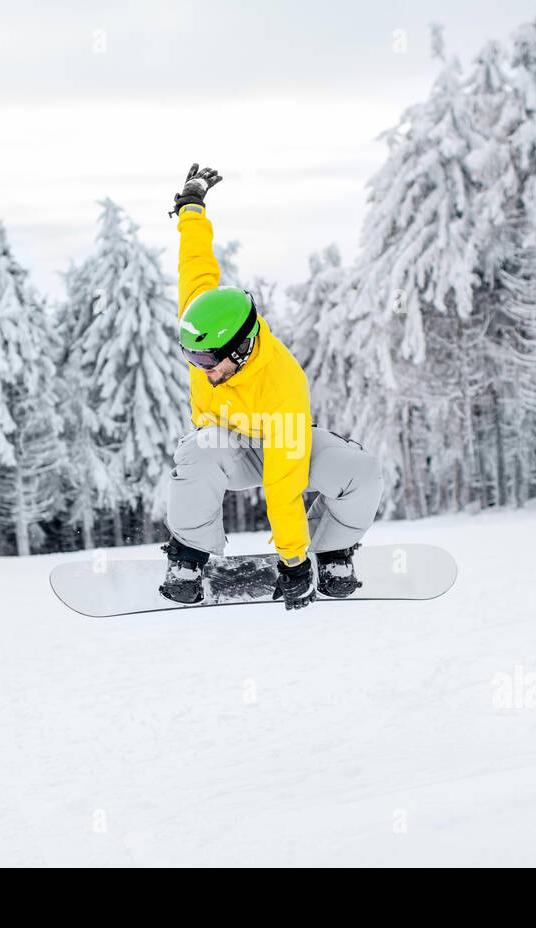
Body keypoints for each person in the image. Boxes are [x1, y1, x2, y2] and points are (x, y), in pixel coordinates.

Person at [159, 163, 383, 610]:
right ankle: (189, 553)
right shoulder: (205, 319)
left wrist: (294, 560)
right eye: (191, 358)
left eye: (207, 360)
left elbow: (284, 483)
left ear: (240, 350)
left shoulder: (282, 386)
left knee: (362, 471)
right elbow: (195, 263)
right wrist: (191, 207)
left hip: (283, 442)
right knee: (197, 453)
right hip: (226, 447)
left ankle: (331, 551)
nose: (200, 369)